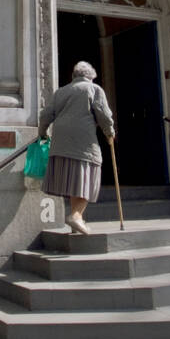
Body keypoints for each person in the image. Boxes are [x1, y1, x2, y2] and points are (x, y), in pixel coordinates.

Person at [37, 60, 115, 234]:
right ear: (90, 77)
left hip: (60, 141)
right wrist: (109, 132)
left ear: (74, 76)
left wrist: (42, 133)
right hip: (83, 141)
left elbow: (46, 115)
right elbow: (103, 113)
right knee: (87, 176)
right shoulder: (94, 89)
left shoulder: (61, 92)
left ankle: (76, 220)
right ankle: (76, 216)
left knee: (75, 180)